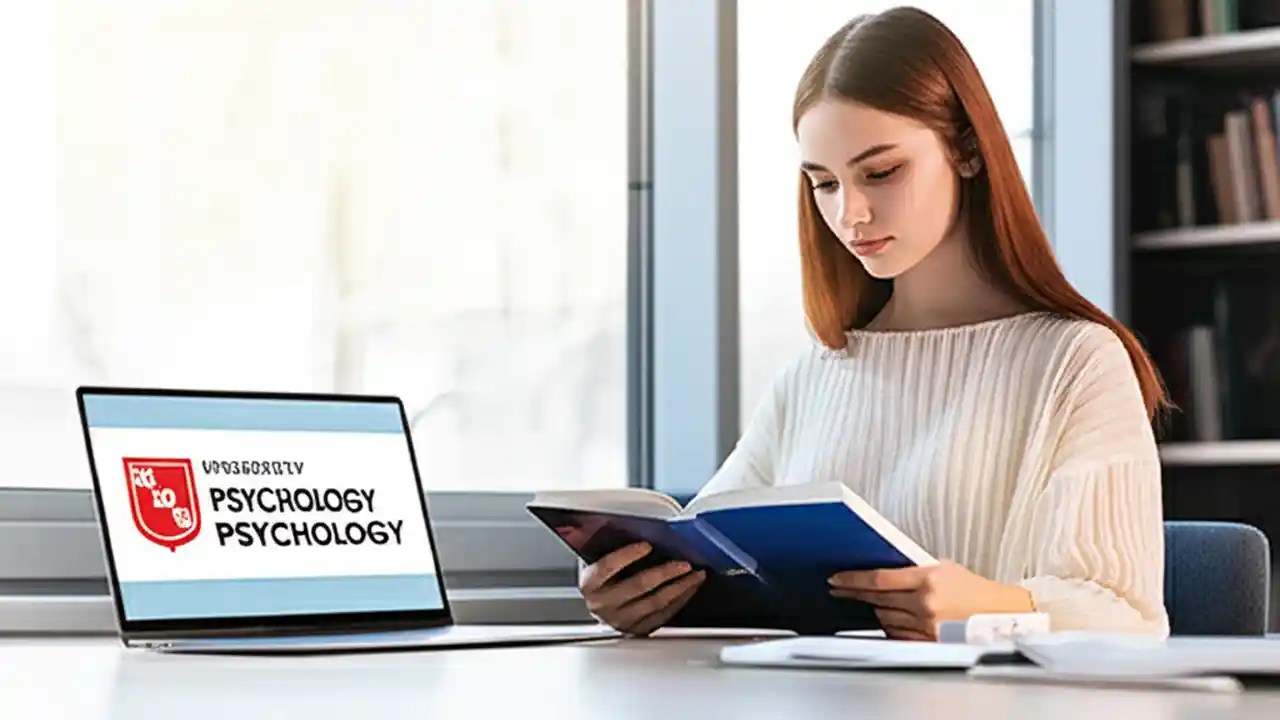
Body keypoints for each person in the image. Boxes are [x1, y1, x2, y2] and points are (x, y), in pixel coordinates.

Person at [579, 6, 1170, 640]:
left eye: (880, 172)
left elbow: (1129, 617)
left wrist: (991, 606)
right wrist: (637, 591)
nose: (850, 213)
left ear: (968, 150)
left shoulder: (1074, 361)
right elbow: (702, 550)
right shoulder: (813, 376)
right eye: (824, 183)